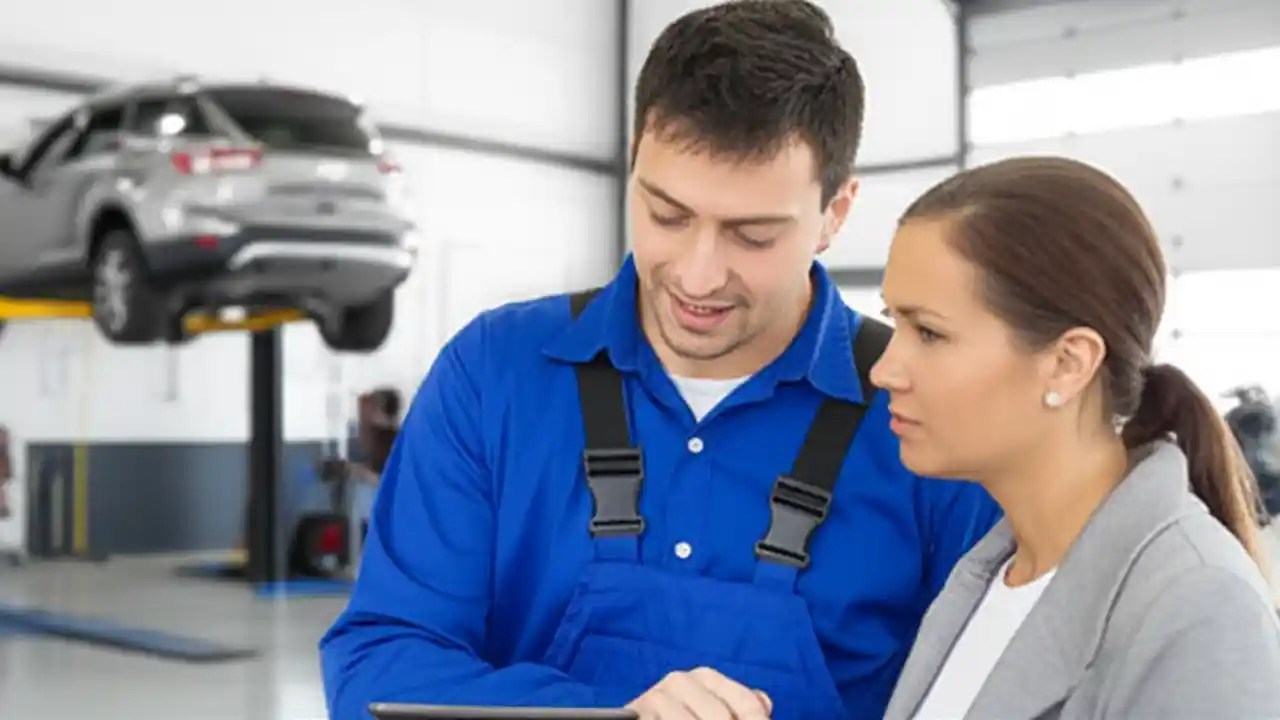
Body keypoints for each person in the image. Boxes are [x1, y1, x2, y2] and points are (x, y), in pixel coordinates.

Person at [319, 2, 1000, 718]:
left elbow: (992, 694)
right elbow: (382, 664)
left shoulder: (926, 406)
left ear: (835, 212)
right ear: (633, 167)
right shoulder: (494, 375)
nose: (698, 276)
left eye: (753, 235)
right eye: (667, 215)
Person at [873, 155, 1280, 720]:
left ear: (1068, 363)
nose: (885, 370)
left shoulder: (1197, 608)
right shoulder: (989, 578)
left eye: (929, 333)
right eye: (893, 322)